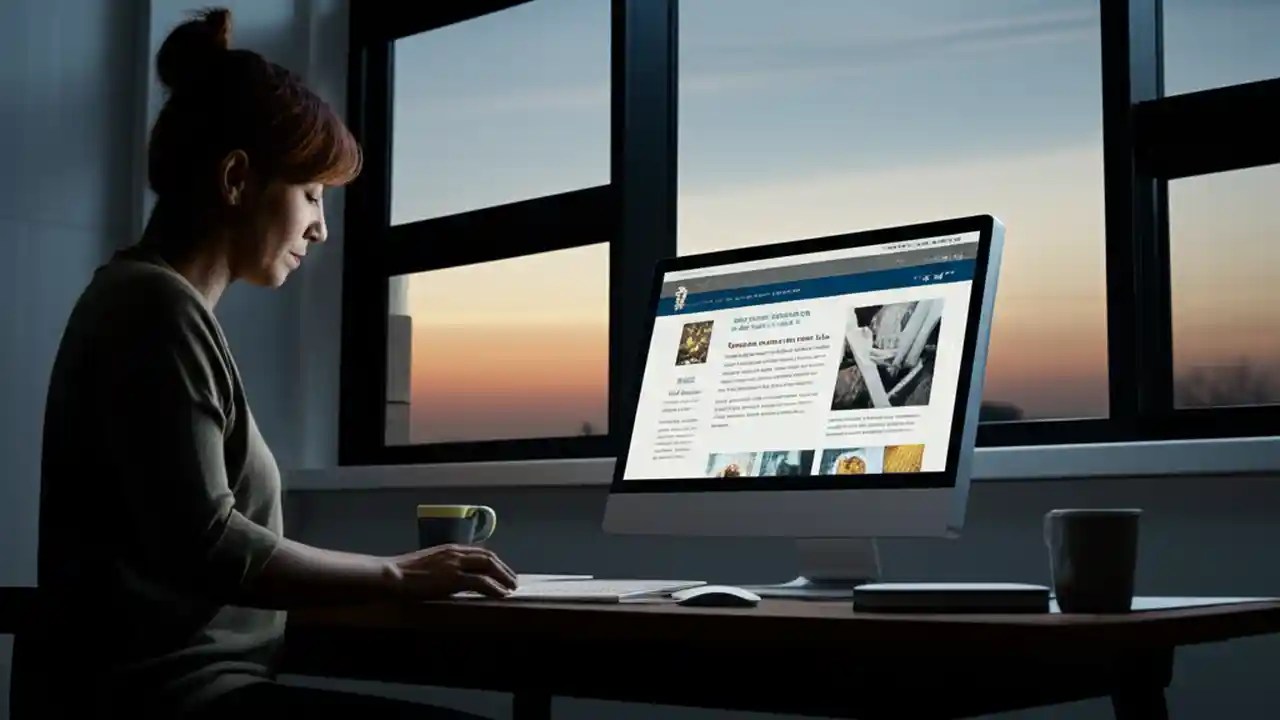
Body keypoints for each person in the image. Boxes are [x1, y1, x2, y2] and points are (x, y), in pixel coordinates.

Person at [27, 8, 518, 718]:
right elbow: (209, 543)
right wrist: (395, 574)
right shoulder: (154, 308)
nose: (321, 228)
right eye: (312, 195)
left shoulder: (149, 302)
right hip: (170, 698)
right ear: (236, 179)